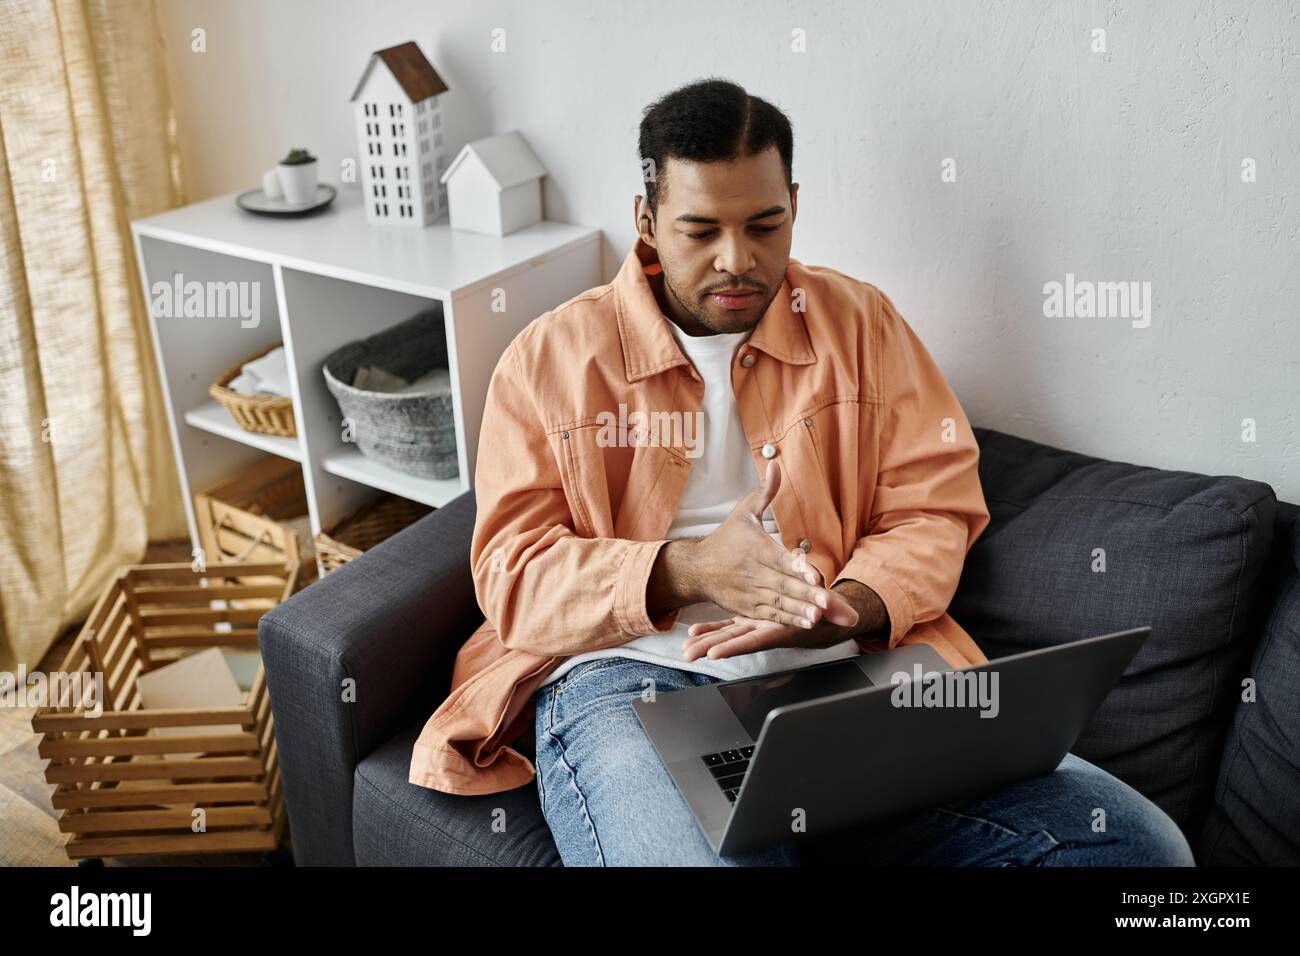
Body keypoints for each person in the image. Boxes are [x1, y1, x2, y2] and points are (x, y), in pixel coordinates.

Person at [412, 78, 1195, 869]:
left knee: (1138, 845)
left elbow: (935, 510)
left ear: (794, 202)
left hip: (846, 675)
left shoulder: (862, 324)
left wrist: (848, 608)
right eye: (700, 230)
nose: (738, 261)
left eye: (764, 225)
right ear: (647, 223)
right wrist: (682, 570)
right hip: (628, 680)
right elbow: (510, 575)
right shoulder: (547, 361)